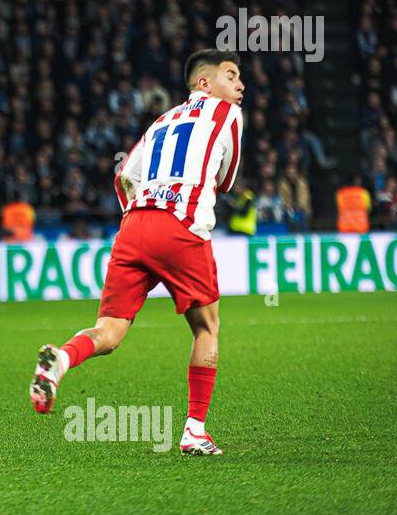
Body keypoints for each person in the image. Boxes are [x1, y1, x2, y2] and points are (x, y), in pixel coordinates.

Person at [29, 49, 244, 456]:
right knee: (206, 328)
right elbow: (226, 179)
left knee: (108, 333)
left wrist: (141, 217)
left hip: (134, 227)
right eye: (231, 76)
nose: (240, 86)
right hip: (180, 227)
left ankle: (60, 360)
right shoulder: (226, 113)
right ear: (204, 83)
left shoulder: (161, 122)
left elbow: (124, 174)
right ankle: (195, 429)